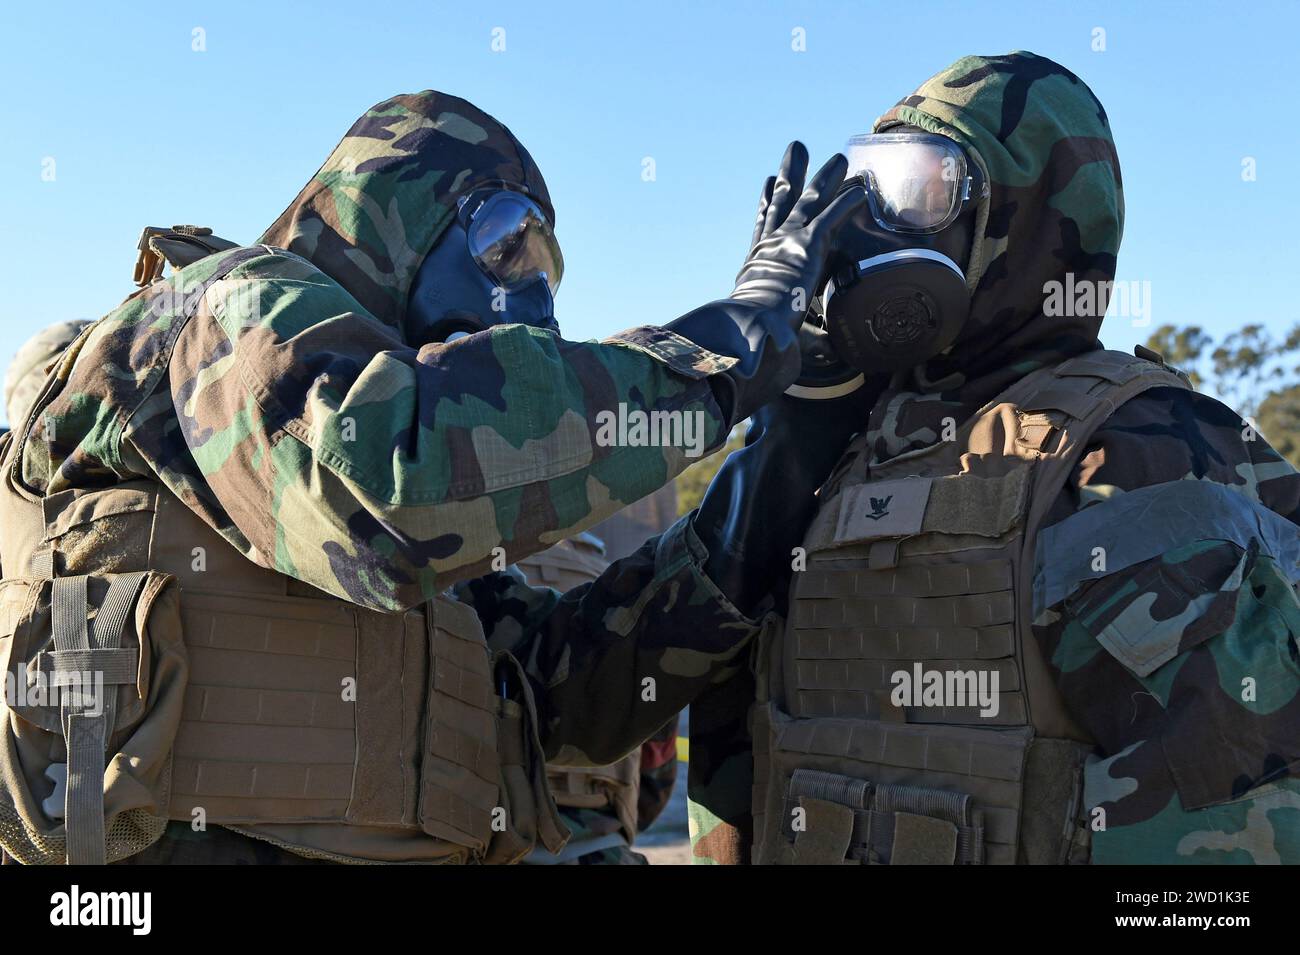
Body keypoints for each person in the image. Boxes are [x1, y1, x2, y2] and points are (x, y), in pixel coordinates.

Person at [0, 90, 865, 864]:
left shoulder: (429, 516)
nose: (536, 299)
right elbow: (385, 487)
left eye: (550, 270)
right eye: (506, 244)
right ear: (392, 219)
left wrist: (775, 467)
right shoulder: (219, 313)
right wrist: (722, 353)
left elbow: (563, 693)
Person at [687, 51, 1300, 865]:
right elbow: (722, 769)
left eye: (920, 191)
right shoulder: (830, 450)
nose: (872, 222)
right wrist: (785, 418)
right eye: (865, 187)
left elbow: (1235, 843)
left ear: (1031, 220)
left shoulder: (1143, 451)